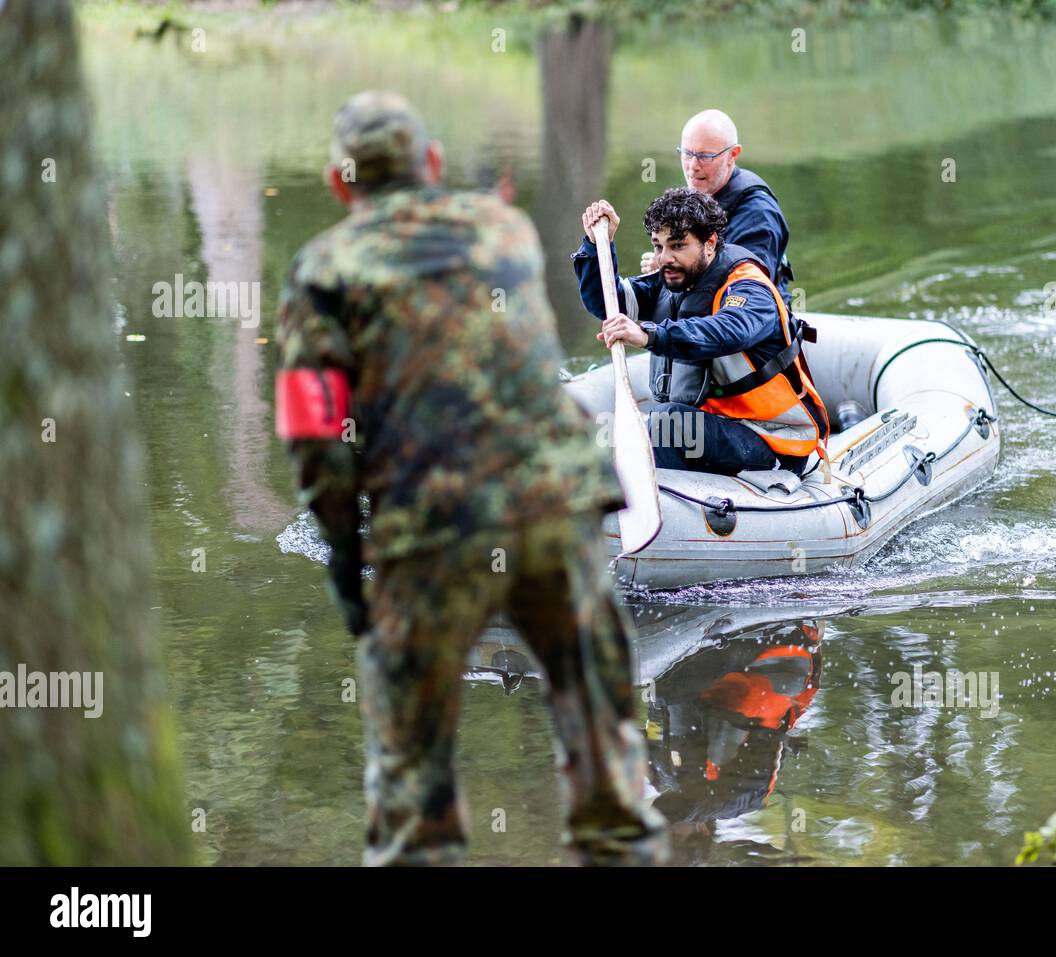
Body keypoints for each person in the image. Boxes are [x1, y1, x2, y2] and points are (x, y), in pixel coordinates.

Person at [275, 90, 665, 866]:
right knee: (610, 785)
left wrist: (350, 572)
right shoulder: (504, 230)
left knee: (412, 798)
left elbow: (315, 438)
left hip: (429, 526)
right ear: (434, 164)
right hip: (559, 508)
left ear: (337, 183)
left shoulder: (321, 271)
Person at [572, 187, 829, 476]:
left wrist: (649, 335)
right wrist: (596, 246)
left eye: (678, 246)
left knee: (665, 423)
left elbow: (728, 331)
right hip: (714, 426)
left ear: (709, 243)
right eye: (659, 246)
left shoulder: (747, 286)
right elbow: (609, 302)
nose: (665, 258)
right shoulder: (672, 280)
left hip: (772, 438)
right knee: (645, 426)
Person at [639, 109, 794, 304]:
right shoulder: (696, 197)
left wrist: (676, 267)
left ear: (733, 154)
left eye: (705, 156)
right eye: (687, 153)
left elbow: (748, 290)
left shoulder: (758, 214)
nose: (693, 166)